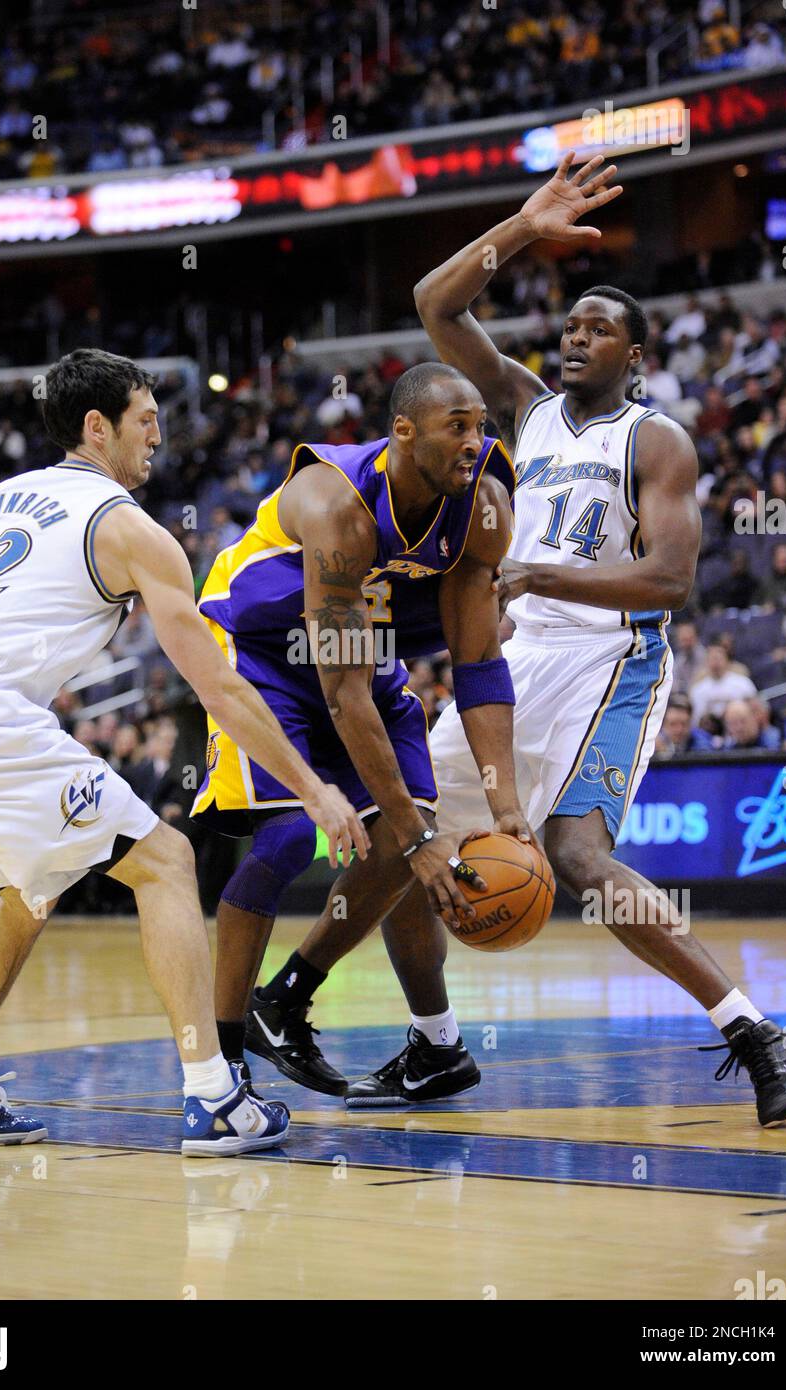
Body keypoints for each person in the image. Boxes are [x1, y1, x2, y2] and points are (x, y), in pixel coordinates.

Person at [380, 151, 786, 1126]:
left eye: (602, 327)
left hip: (613, 659)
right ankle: (437, 1046)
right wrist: (525, 226)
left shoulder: (656, 441)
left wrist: (537, 573)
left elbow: (669, 582)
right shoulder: (527, 411)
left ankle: (759, 1033)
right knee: (404, 827)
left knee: (579, 858)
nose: (579, 335)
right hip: (516, 655)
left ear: (638, 356)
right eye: (572, 323)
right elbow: (436, 305)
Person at [0, 348, 366, 1156]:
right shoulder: (134, 531)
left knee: (30, 893)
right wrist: (313, 788)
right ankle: (214, 1098)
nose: (158, 440)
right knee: (165, 861)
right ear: (97, 427)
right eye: (146, 422)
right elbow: (220, 689)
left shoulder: (2, 496)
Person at [189, 362, 532, 1101]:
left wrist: (503, 803)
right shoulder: (337, 507)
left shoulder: (483, 508)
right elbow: (342, 695)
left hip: (361, 654)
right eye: (457, 428)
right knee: (288, 838)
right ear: (401, 432)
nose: (476, 443)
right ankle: (222, 1066)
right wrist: (415, 838)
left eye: (482, 426)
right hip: (260, 654)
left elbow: (476, 664)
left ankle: (283, 1002)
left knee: (412, 833)